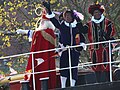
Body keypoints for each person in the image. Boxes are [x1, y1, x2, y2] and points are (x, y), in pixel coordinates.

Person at [43, 1, 86, 88]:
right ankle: (63, 86)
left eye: (69, 16)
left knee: (74, 67)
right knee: (64, 67)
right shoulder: (62, 26)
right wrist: (49, 10)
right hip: (64, 50)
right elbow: (54, 21)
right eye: (66, 16)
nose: (67, 17)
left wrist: (80, 45)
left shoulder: (76, 27)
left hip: (74, 51)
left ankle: (73, 85)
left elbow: (82, 37)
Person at [24, 9, 56, 90]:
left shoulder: (40, 32)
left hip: (41, 56)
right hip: (42, 56)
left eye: (42, 21)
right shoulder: (48, 32)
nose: (41, 22)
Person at [84, 4, 116, 83]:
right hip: (94, 48)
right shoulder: (89, 24)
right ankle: (98, 82)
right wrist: (77, 21)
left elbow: (111, 34)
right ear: (92, 14)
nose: (97, 14)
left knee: (106, 64)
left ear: (101, 13)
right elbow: (82, 30)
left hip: (105, 47)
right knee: (96, 65)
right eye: (95, 12)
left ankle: (109, 81)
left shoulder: (108, 22)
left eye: (98, 12)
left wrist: (105, 35)